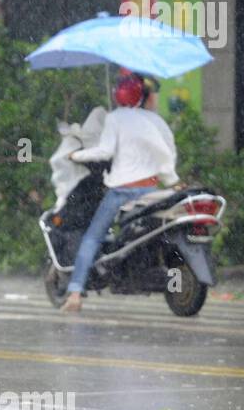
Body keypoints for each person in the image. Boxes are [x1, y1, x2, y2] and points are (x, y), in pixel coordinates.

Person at [62, 72, 179, 313]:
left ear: (117, 97)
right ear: (141, 97)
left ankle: (75, 291)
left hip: (120, 191)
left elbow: (104, 152)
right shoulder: (152, 120)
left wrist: (76, 155)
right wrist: (172, 179)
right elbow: (166, 150)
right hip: (149, 190)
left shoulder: (115, 118)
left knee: (93, 236)